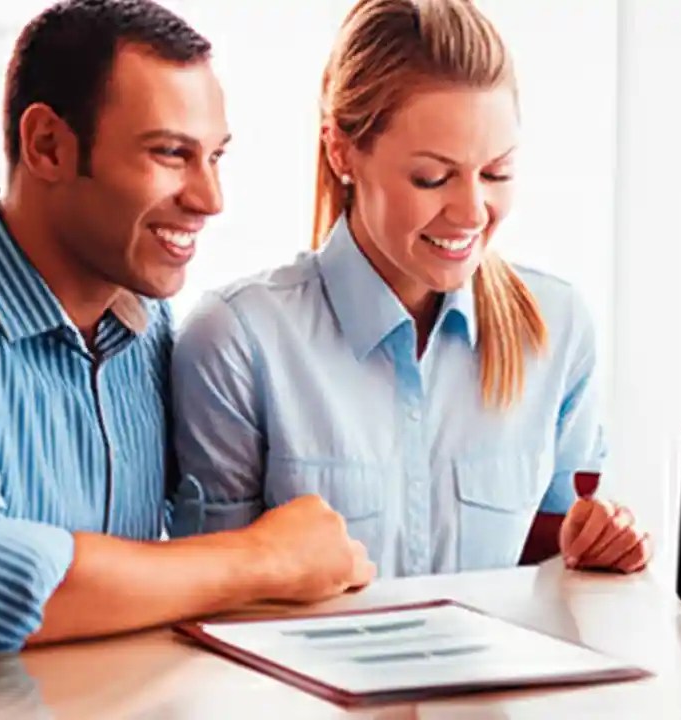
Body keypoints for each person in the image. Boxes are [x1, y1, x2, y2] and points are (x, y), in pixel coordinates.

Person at [170, 0, 652, 578]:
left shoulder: (557, 327)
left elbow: (555, 567)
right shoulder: (239, 341)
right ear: (341, 150)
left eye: (496, 173)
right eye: (433, 177)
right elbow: (209, 596)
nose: (473, 211)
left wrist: (604, 547)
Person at [0, 0, 373, 655]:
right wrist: (264, 559)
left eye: (215, 157)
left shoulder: (150, 327)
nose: (210, 199)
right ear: (48, 146)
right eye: (171, 154)